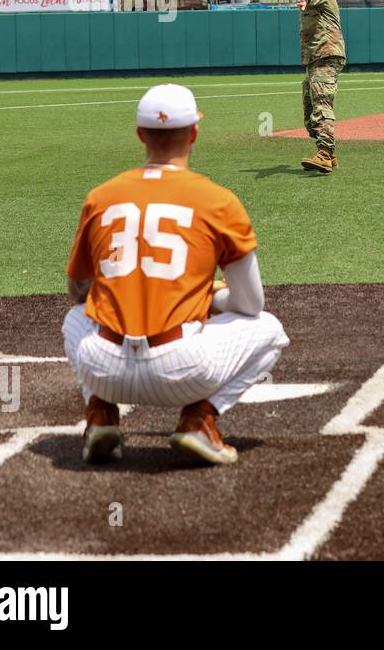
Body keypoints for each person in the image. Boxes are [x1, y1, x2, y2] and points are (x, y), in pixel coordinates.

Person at [62, 83, 289, 466]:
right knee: (268, 329)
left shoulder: (101, 196)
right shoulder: (218, 199)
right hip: (183, 371)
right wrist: (209, 295)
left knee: (73, 320)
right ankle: (199, 420)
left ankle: (100, 413)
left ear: (139, 135)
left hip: (104, 367)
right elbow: (251, 304)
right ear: (194, 133)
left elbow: (78, 293)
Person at [291, 0, 345, 173]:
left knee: (321, 103)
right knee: (309, 107)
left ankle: (324, 152)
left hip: (326, 53)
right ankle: (329, 154)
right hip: (315, 57)